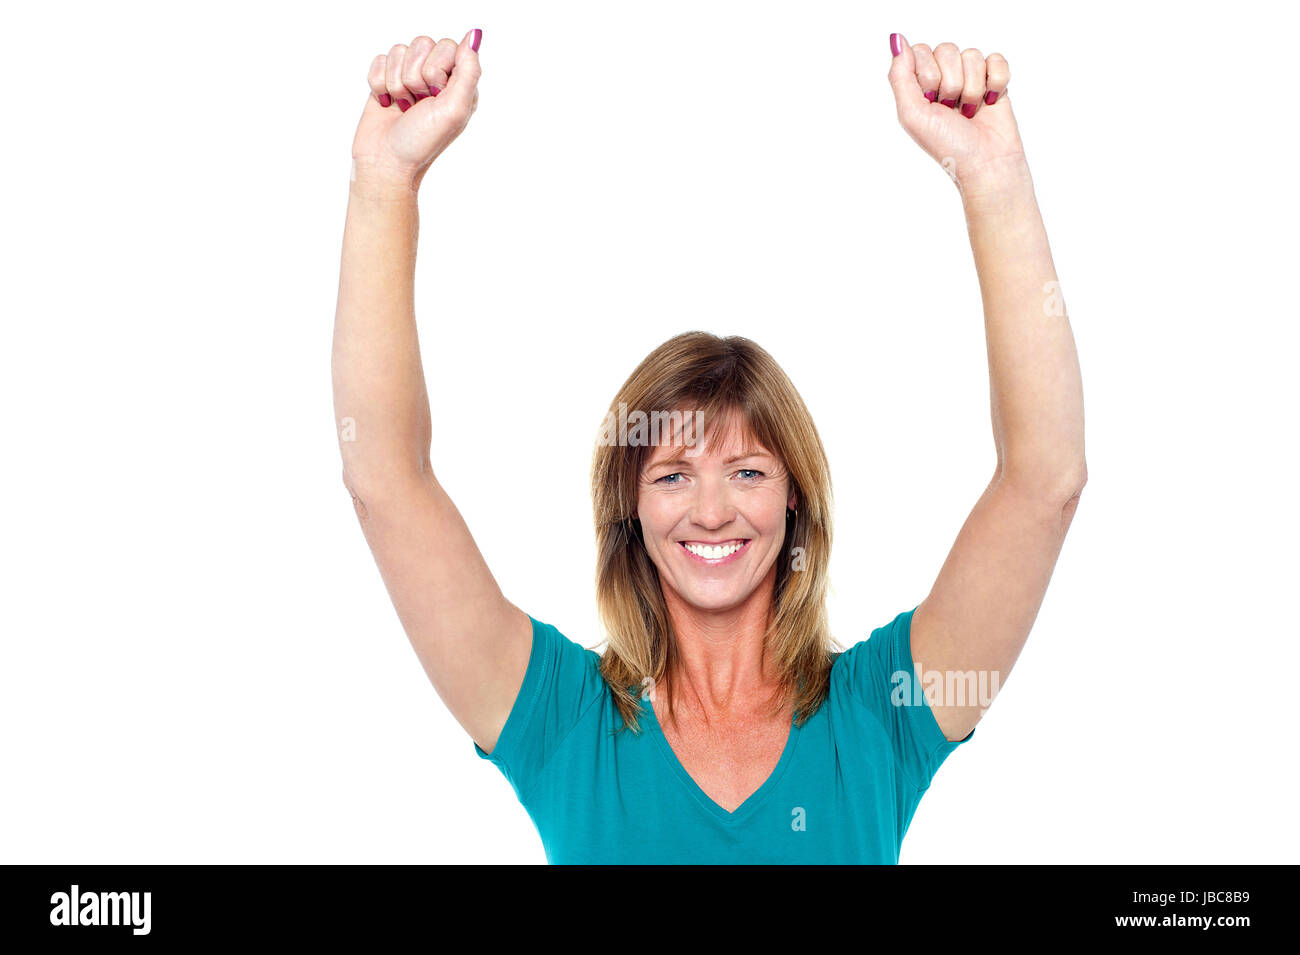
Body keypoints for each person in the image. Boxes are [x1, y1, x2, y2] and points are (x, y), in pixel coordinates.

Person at [331, 29, 1086, 863]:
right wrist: (384, 181)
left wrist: (992, 179)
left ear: (794, 493)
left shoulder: (885, 712)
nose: (713, 509)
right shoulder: (561, 718)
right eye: (673, 474)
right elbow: (385, 480)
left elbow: (1044, 482)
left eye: (749, 469)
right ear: (631, 503)